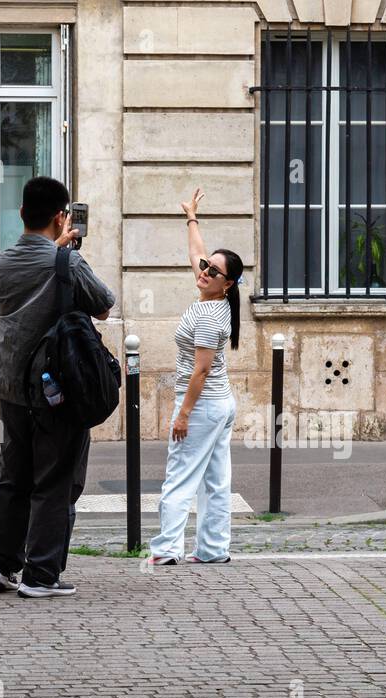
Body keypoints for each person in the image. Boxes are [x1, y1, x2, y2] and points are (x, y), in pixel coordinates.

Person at [0, 176, 115, 598]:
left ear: (22, 213)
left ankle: (3, 566)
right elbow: (104, 305)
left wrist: (57, 253)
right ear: (62, 217)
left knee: (12, 475)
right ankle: (42, 575)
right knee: (56, 479)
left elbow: (30, 288)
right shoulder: (68, 263)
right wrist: (68, 256)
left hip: (10, 387)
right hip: (57, 388)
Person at [146, 188, 243, 566]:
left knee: (180, 476)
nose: (203, 272)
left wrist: (183, 413)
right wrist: (191, 216)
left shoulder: (208, 316)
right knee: (216, 480)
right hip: (220, 405)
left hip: (201, 405)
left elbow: (201, 370)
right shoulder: (214, 300)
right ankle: (214, 549)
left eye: (213, 271)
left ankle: (167, 549)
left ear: (228, 284)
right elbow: (195, 252)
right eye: (206, 267)